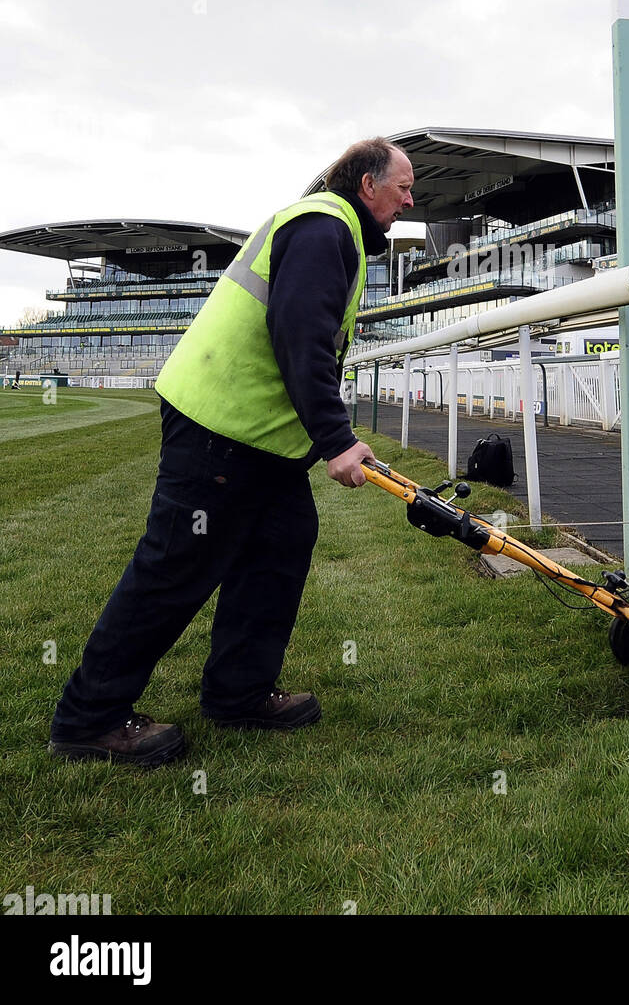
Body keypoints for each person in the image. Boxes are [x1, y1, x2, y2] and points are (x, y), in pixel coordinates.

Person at [49, 138, 415, 767]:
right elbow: (300, 335)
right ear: (366, 185)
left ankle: (239, 693)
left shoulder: (331, 230)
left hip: (259, 444)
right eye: (404, 186)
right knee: (175, 569)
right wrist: (336, 442)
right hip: (221, 430)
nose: (411, 200)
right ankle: (90, 718)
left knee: (280, 547)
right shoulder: (326, 228)